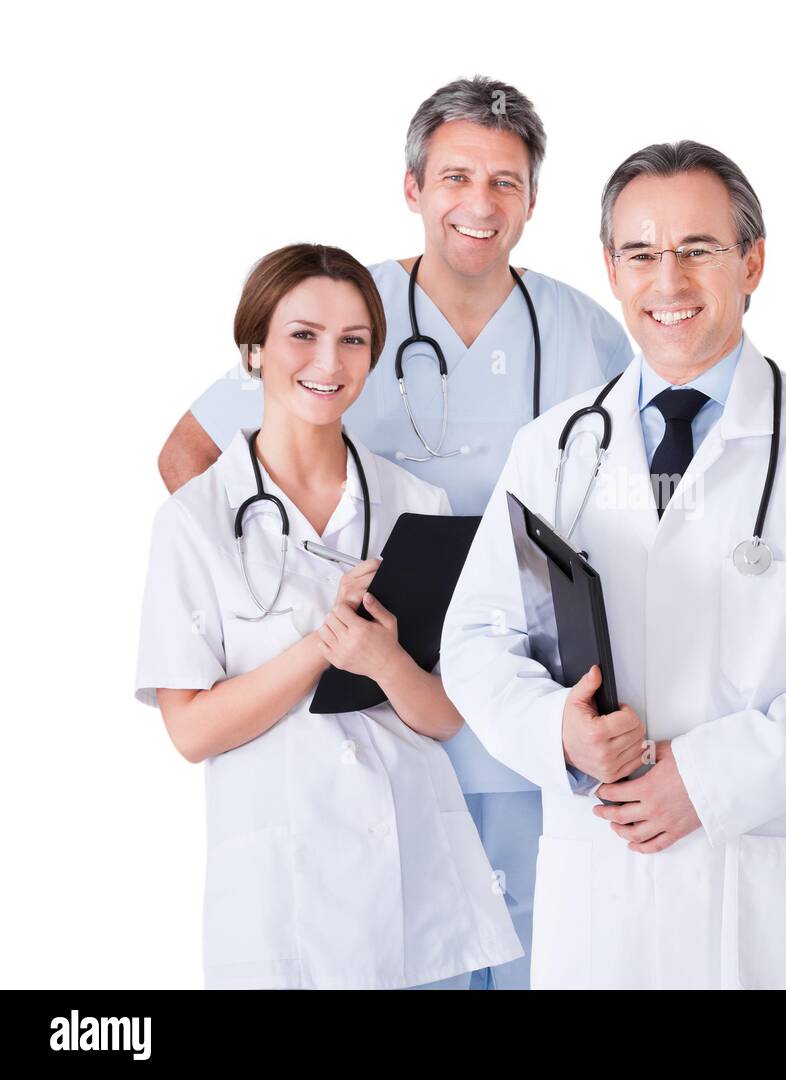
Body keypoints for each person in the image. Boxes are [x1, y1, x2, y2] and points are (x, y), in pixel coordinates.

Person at [156, 77, 633, 990]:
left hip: (528, 704)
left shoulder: (586, 333)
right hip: (376, 706)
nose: (479, 204)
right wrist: (291, 591)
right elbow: (190, 453)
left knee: (538, 959)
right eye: (455, 176)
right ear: (413, 188)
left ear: (534, 199)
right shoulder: (343, 312)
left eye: (505, 181)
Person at [438, 141, 786, 989]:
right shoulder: (553, 448)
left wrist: (711, 780)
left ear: (752, 263)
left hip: (773, 906)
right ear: (611, 269)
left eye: (698, 250)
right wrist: (559, 733)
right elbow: (476, 641)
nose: (667, 280)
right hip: (605, 895)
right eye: (641, 253)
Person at [134, 244, 521, 989]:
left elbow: (445, 716)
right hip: (281, 892)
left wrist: (386, 661)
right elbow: (192, 731)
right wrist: (324, 645)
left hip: (412, 878)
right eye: (302, 335)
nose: (328, 361)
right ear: (254, 349)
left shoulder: (418, 505)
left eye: (353, 340)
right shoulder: (194, 519)